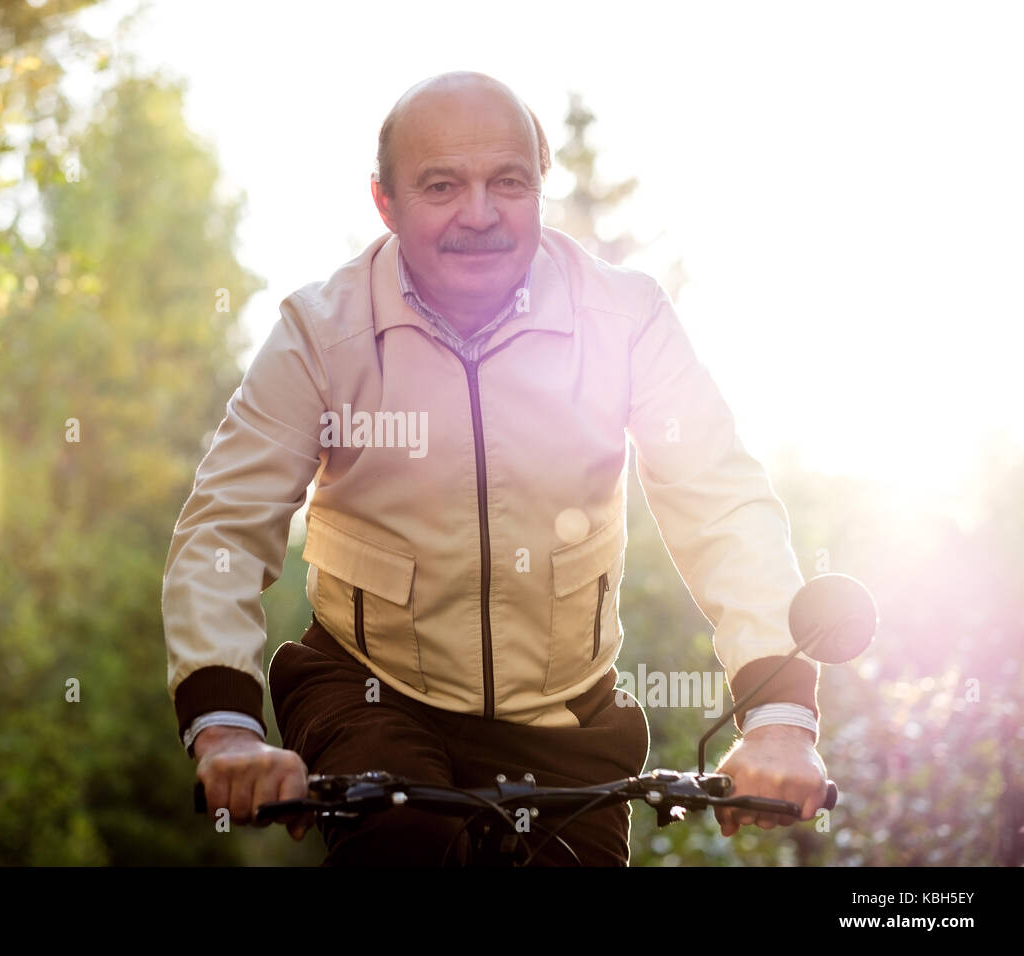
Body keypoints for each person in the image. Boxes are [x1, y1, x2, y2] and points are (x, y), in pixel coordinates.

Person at [161, 71, 830, 865]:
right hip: (369, 694)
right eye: (442, 185)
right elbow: (225, 527)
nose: (479, 214)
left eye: (507, 182)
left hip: (565, 719)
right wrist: (227, 729)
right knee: (405, 844)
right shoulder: (320, 333)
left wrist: (779, 718)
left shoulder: (627, 318)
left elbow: (719, 502)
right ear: (385, 202)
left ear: (540, 188)